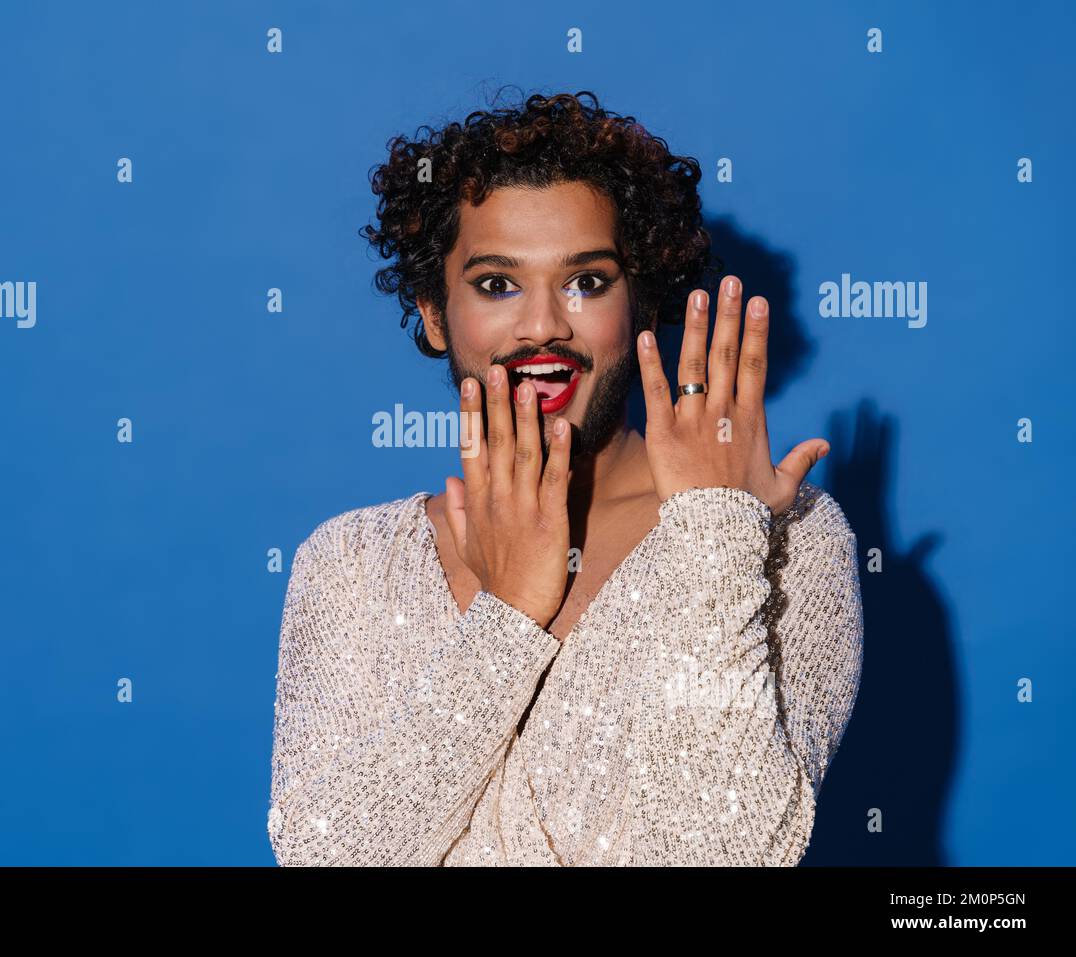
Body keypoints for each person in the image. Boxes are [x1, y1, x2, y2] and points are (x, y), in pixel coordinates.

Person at [266, 90, 863, 866]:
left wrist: (716, 528)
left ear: (642, 302)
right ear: (435, 314)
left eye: (586, 280)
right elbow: (327, 856)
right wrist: (509, 616)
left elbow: (728, 848)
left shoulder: (782, 534)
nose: (544, 324)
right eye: (495, 284)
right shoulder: (351, 562)